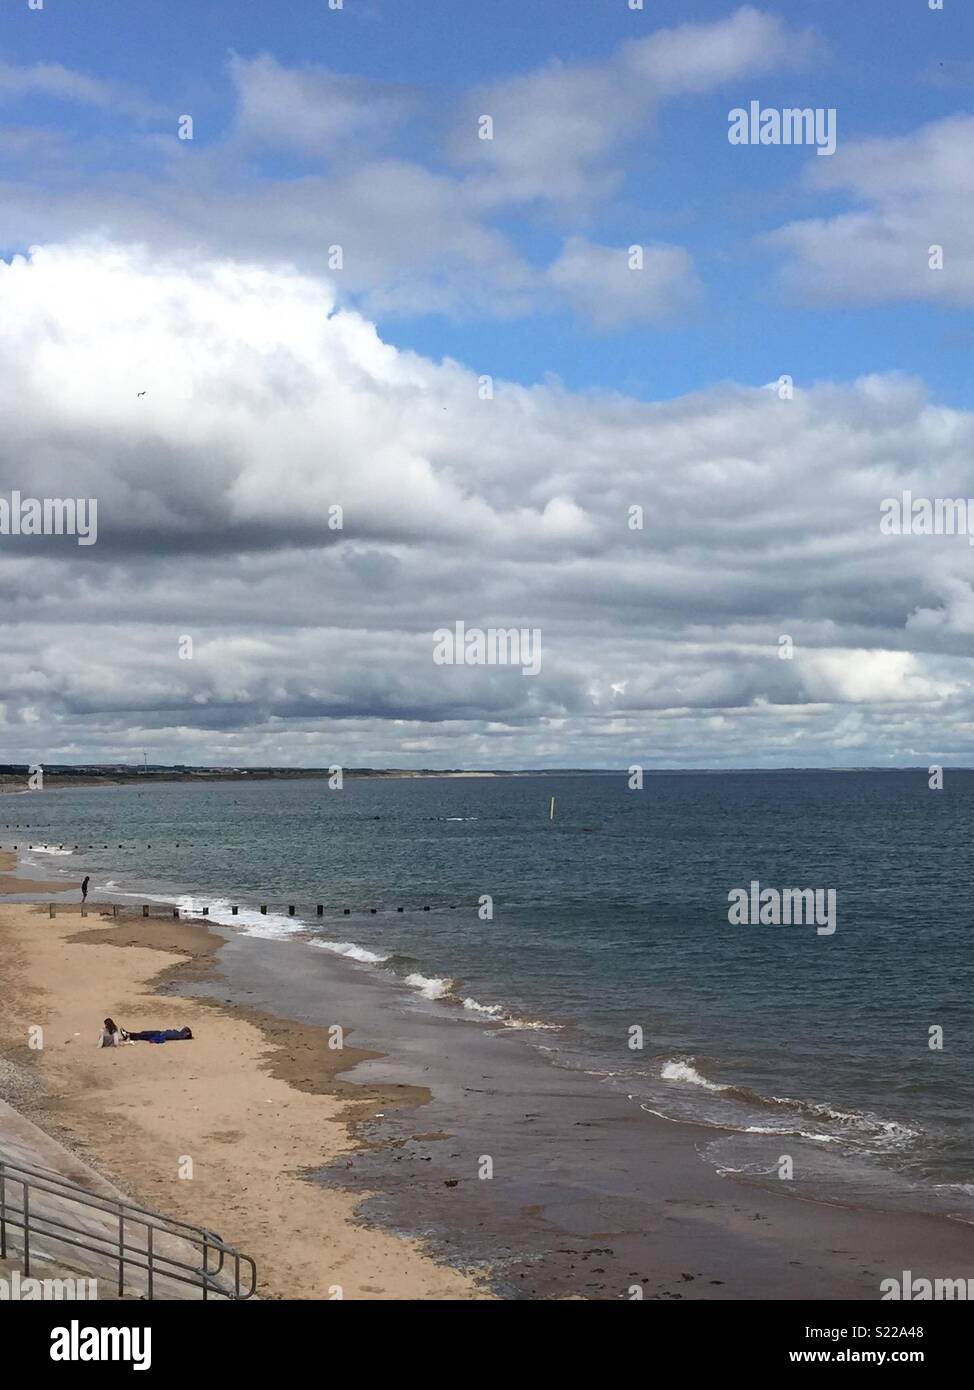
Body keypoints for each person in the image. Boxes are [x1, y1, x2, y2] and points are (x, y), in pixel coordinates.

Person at [126, 1026, 193, 1044]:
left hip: (159, 1034)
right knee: (144, 1034)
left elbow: (168, 1035)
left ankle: (129, 1035)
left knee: (144, 1035)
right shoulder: (179, 1034)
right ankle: (129, 1034)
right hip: (160, 1033)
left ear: (187, 1033)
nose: (183, 1028)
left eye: (185, 1029)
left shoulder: (179, 1036)